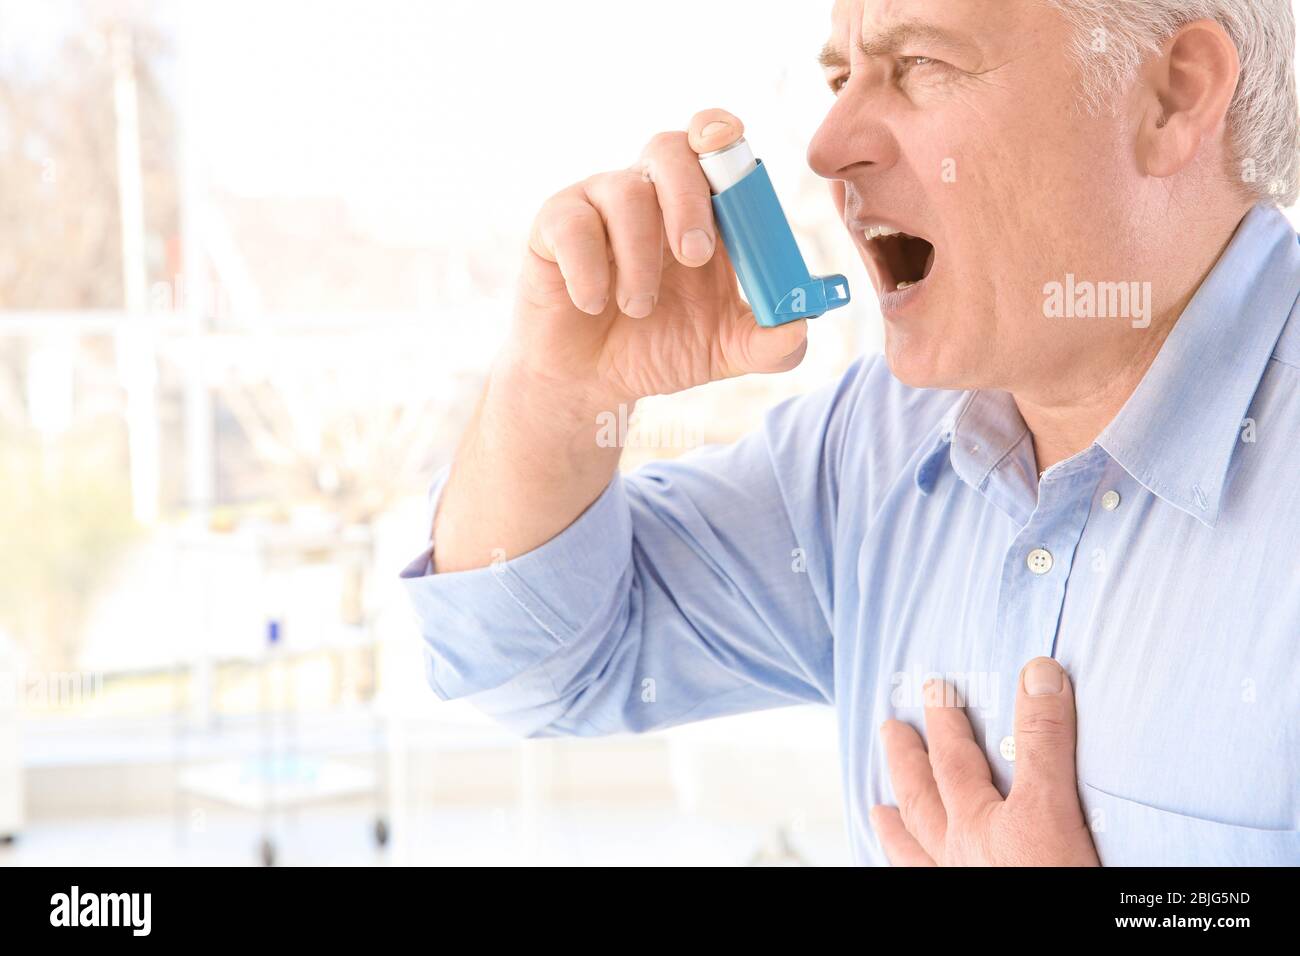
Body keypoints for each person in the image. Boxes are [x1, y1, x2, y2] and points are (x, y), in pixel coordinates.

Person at [401, 0, 1300, 865]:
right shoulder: (873, 445)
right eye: (842, 77)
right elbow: (535, 664)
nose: (829, 149)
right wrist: (558, 391)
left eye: (920, 65)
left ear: (1175, 94)